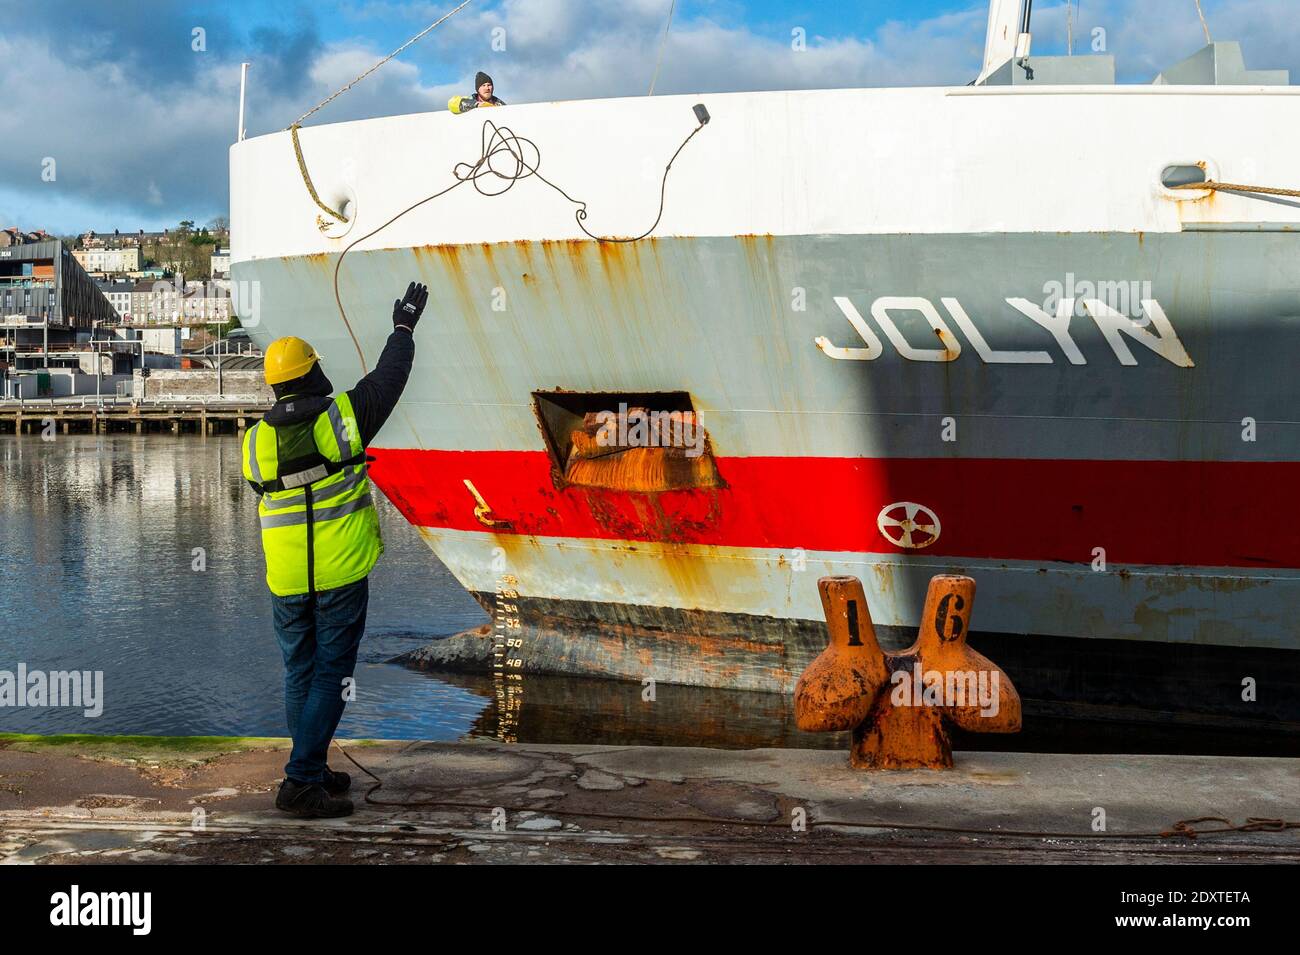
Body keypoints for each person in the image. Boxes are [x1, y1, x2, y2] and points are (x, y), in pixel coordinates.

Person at [241, 281, 429, 818]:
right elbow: (390, 379)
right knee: (330, 673)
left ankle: (313, 766)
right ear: (313, 373)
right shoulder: (342, 418)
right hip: (340, 566)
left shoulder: (253, 440)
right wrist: (404, 326)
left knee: (300, 671)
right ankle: (300, 782)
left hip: (286, 578)